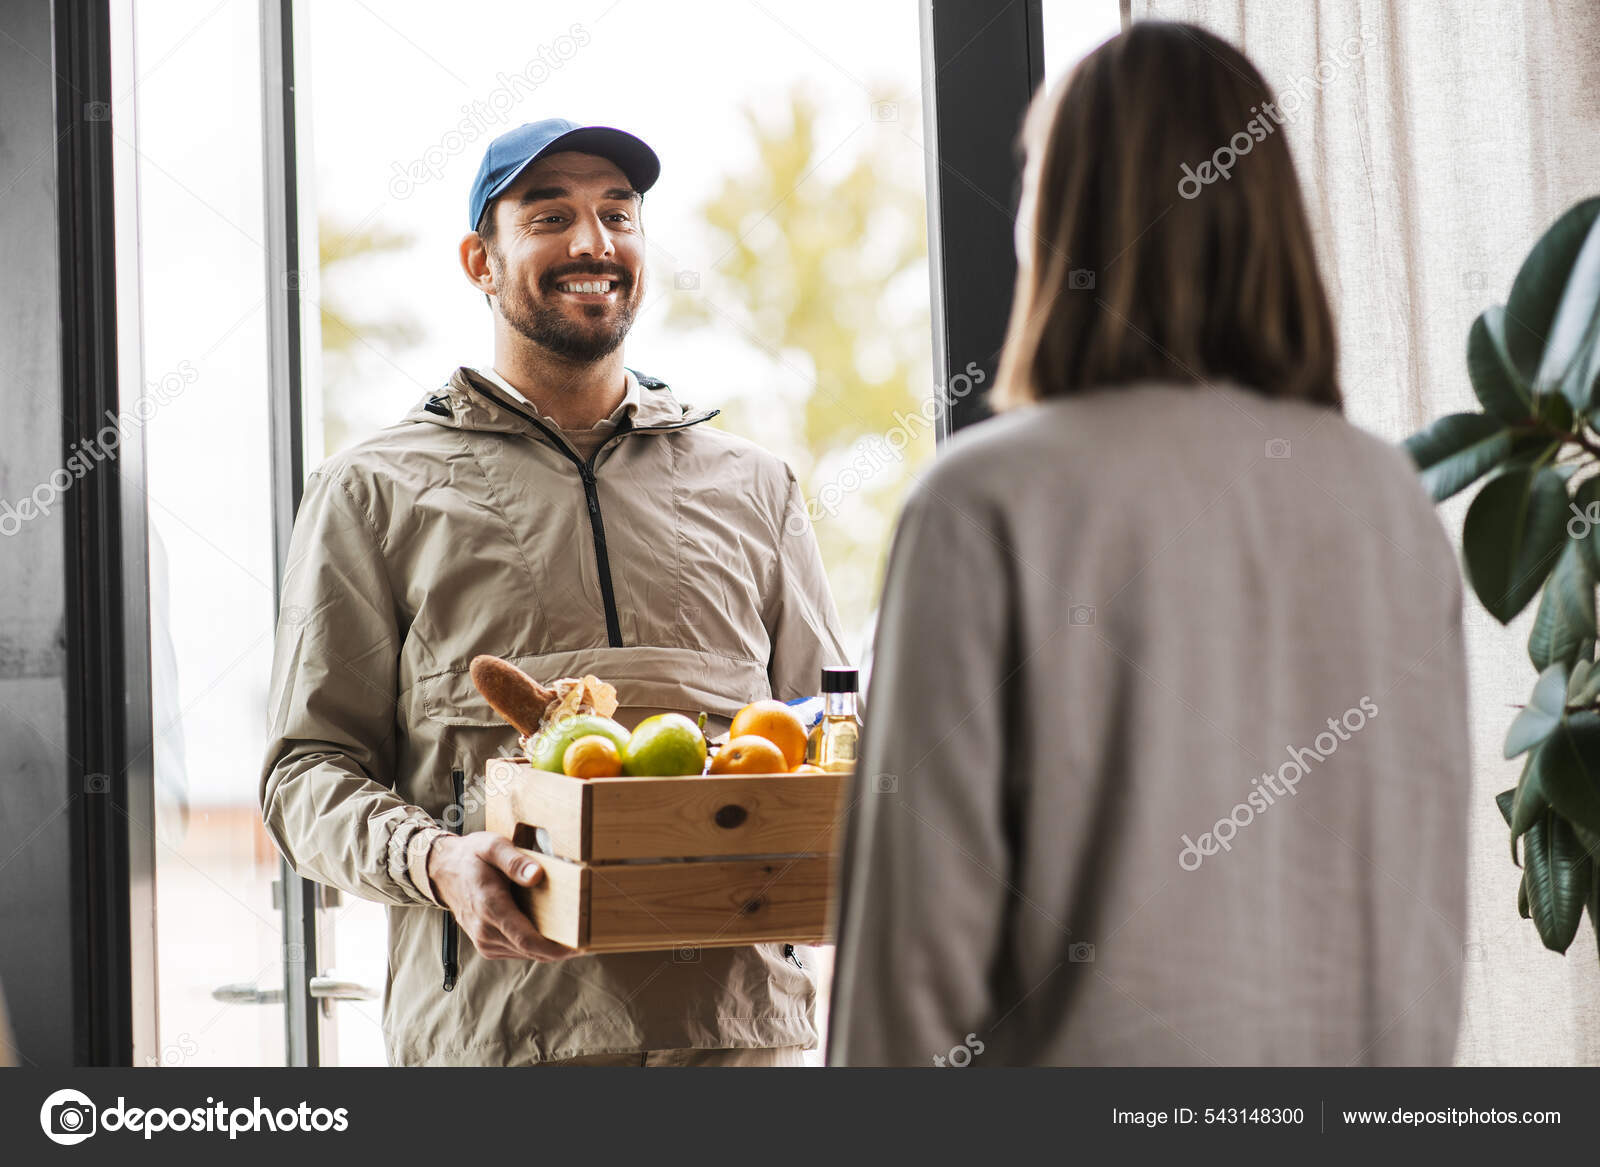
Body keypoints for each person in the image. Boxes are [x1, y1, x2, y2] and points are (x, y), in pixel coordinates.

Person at [828, 23, 1470, 1066]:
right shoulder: (1385, 498)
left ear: (1064, 217)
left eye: (1034, 176)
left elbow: (906, 990)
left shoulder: (986, 500)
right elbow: (1420, 928)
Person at [260, 119, 850, 1067]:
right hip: (494, 1047)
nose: (594, 242)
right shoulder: (371, 490)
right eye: (551, 216)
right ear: (479, 261)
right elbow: (304, 776)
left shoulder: (756, 484)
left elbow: (831, 732)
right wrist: (438, 859)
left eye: (619, 213)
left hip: (741, 1044)